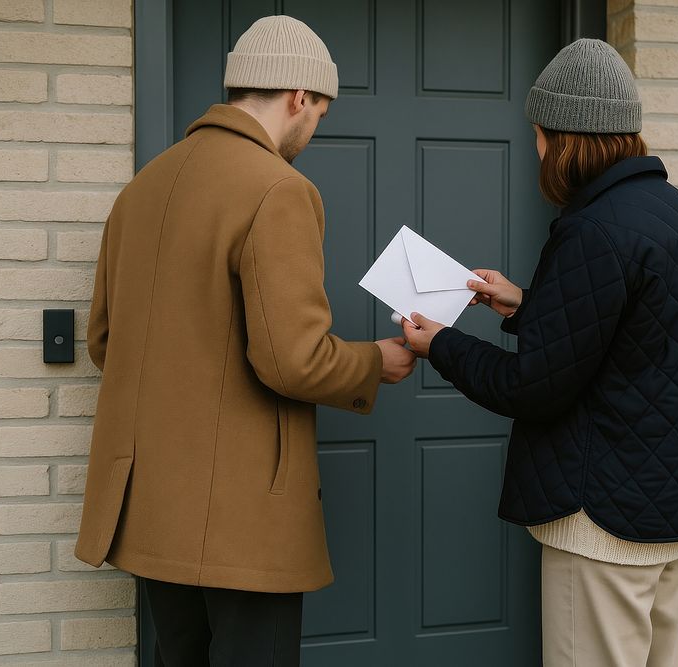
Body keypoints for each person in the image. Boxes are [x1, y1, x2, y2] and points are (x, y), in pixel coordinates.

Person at [75, 15, 416, 667]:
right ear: (297, 98)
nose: (314, 130)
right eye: (319, 111)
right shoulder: (279, 190)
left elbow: (104, 342)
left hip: (151, 512)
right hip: (242, 528)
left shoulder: (140, 190)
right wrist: (379, 360)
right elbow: (294, 358)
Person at [402, 38, 678, 667]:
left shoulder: (594, 229)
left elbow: (534, 385)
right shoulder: (677, 215)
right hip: (673, 511)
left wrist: (439, 343)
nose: (536, 150)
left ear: (569, 137)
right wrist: (525, 306)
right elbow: (633, 341)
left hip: (606, 520)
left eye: (538, 134)